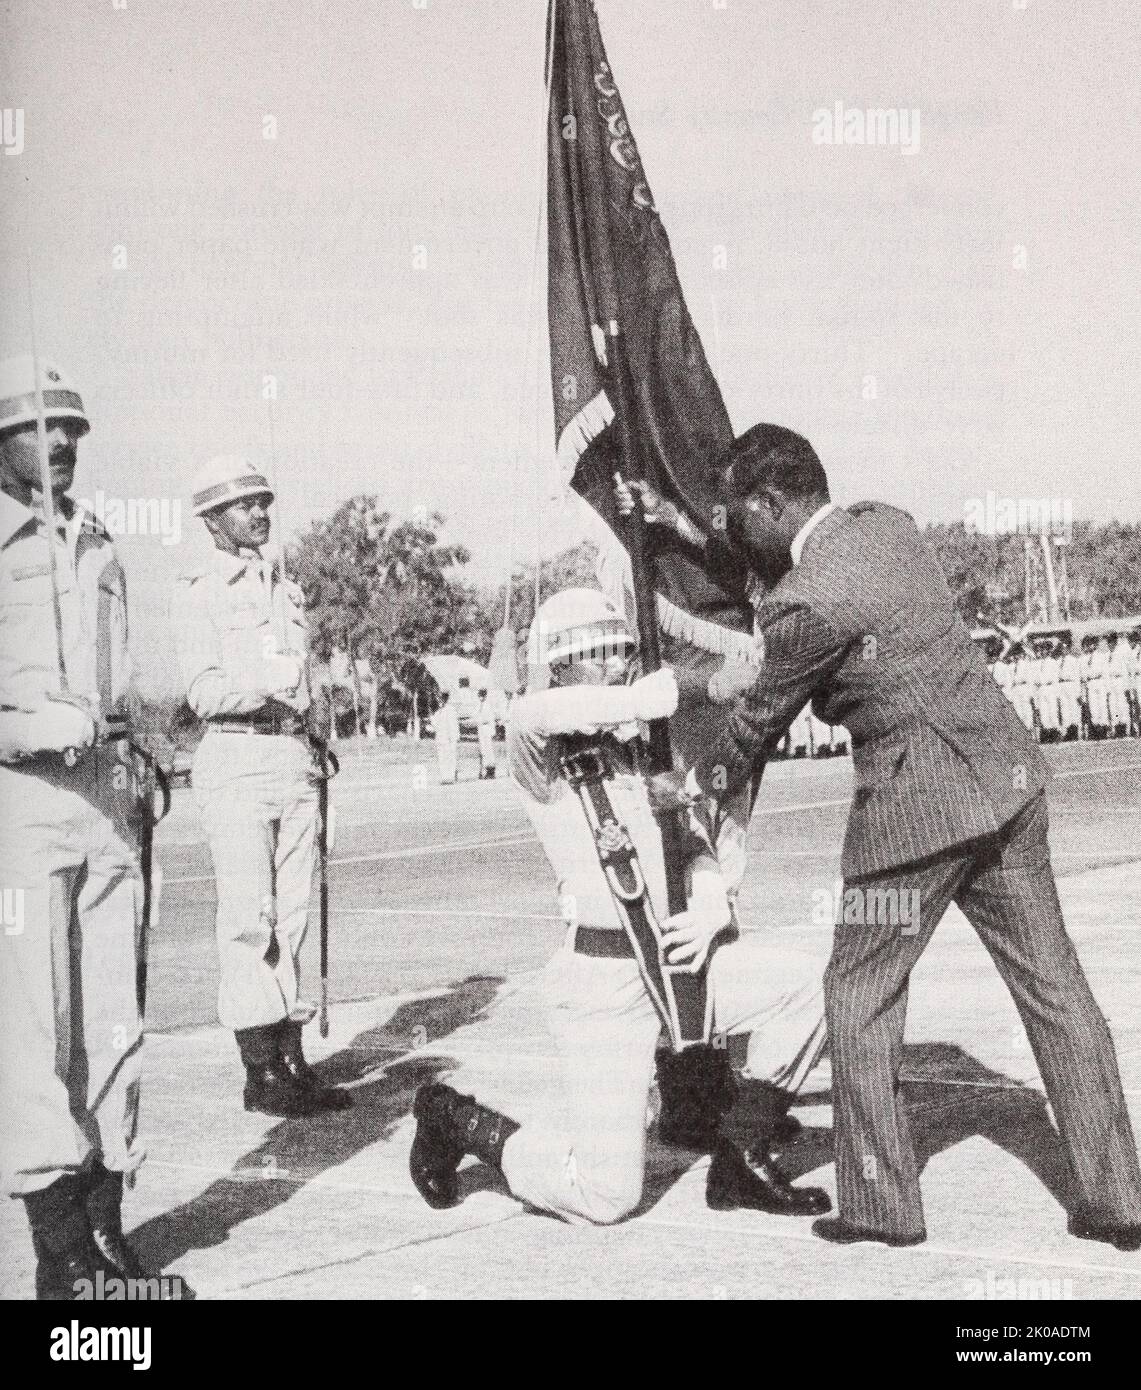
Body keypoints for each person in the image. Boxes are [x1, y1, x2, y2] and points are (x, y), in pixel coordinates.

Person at [642, 422, 1141, 1250]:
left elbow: (754, 724)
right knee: (1057, 994)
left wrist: (690, 791)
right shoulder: (889, 525)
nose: (734, 533)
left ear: (768, 503)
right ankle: (1118, 1198)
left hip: (915, 818)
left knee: (858, 998)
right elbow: (799, 583)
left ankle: (878, 1207)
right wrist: (683, 526)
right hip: (1007, 788)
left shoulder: (806, 603)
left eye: (737, 517)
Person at [409, 587, 829, 1225]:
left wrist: (713, 898)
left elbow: (692, 840)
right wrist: (634, 701)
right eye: (593, 658)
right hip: (603, 985)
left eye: (620, 656)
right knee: (607, 1197)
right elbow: (529, 715)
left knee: (813, 986)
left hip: (681, 965)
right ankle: (463, 1123)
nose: (612, 668)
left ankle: (744, 1153)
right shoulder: (544, 761)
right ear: (561, 666)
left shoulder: (647, 754)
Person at [0, 355, 182, 1298]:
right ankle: (59, 1259)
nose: (62, 443)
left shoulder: (99, 541)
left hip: (107, 808)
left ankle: (109, 1231)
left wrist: (141, 745)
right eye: (41, 429)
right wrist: (34, 726)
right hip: (21, 810)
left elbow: (125, 677)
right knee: (37, 1026)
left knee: (113, 1019)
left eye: (72, 428)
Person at [172, 456, 349, 1118]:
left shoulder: (287, 590)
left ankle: (291, 1056)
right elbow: (203, 690)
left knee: (294, 914)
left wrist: (312, 709)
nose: (259, 513)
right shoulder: (198, 591)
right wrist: (269, 690)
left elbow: (304, 677)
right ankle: (259, 1071)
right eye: (244, 505)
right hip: (236, 756)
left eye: (264, 502)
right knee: (251, 917)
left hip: (292, 755)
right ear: (211, 520)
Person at [1032, 638, 1061, 743]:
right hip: (1041, 689)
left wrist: (1056, 693)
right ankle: (1048, 733)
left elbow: (1055, 679)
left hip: (1050, 688)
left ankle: (1056, 732)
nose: (1042, 651)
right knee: (1044, 713)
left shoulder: (1053, 662)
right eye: (1041, 649)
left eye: (1044, 649)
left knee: (1052, 711)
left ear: (1049, 650)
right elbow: (1034, 679)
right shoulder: (1037, 663)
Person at [1056, 633, 1083, 740]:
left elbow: (1076, 676)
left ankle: (1075, 731)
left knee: (1073, 708)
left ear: (1069, 648)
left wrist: (1078, 692)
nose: (1064, 650)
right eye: (1062, 648)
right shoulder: (1058, 661)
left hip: (1071, 684)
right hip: (1062, 685)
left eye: (1066, 647)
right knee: (1064, 708)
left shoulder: (1073, 660)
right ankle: (1068, 731)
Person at [1082, 635, 1110, 739]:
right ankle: (1096, 728)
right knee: (1093, 708)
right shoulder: (1085, 658)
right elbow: (1084, 673)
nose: (1090, 646)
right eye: (1089, 644)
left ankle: (1104, 729)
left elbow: (1104, 671)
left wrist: (1107, 687)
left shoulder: (1101, 656)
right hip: (1091, 683)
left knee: (1102, 706)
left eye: (1092, 644)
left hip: (1099, 682)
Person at [1106, 633, 1131, 738]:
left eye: (1112, 642)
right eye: (1109, 642)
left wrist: (1126, 686)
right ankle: (1116, 727)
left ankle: (1126, 728)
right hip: (1111, 681)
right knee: (1113, 706)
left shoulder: (1120, 653)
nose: (1110, 644)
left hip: (1119, 679)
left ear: (1115, 642)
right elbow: (1106, 671)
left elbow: (1124, 670)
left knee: (1122, 705)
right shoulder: (1107, 655)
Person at [432, 691, 460, 783]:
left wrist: (454, 738)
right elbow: (434, 724)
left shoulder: (450, 710)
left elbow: (454, 725)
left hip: (448, 738)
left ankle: (450, 777)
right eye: (439, 698)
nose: (439, 700)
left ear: (445, 699)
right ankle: (444, 777)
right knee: (441, 758)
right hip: (440, 738)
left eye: (441, 698)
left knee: (449, 757)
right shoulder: (438, 712)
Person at [475, 686, 497, 778]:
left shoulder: (488, 705)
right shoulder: (479, 705)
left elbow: (488, 718)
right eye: (480, 695)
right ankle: (483, 770)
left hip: (487, 729)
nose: (481, 697)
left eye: (482, 695)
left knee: (488, 750)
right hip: (481, 729)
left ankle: (490, 771)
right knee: (483, 750)